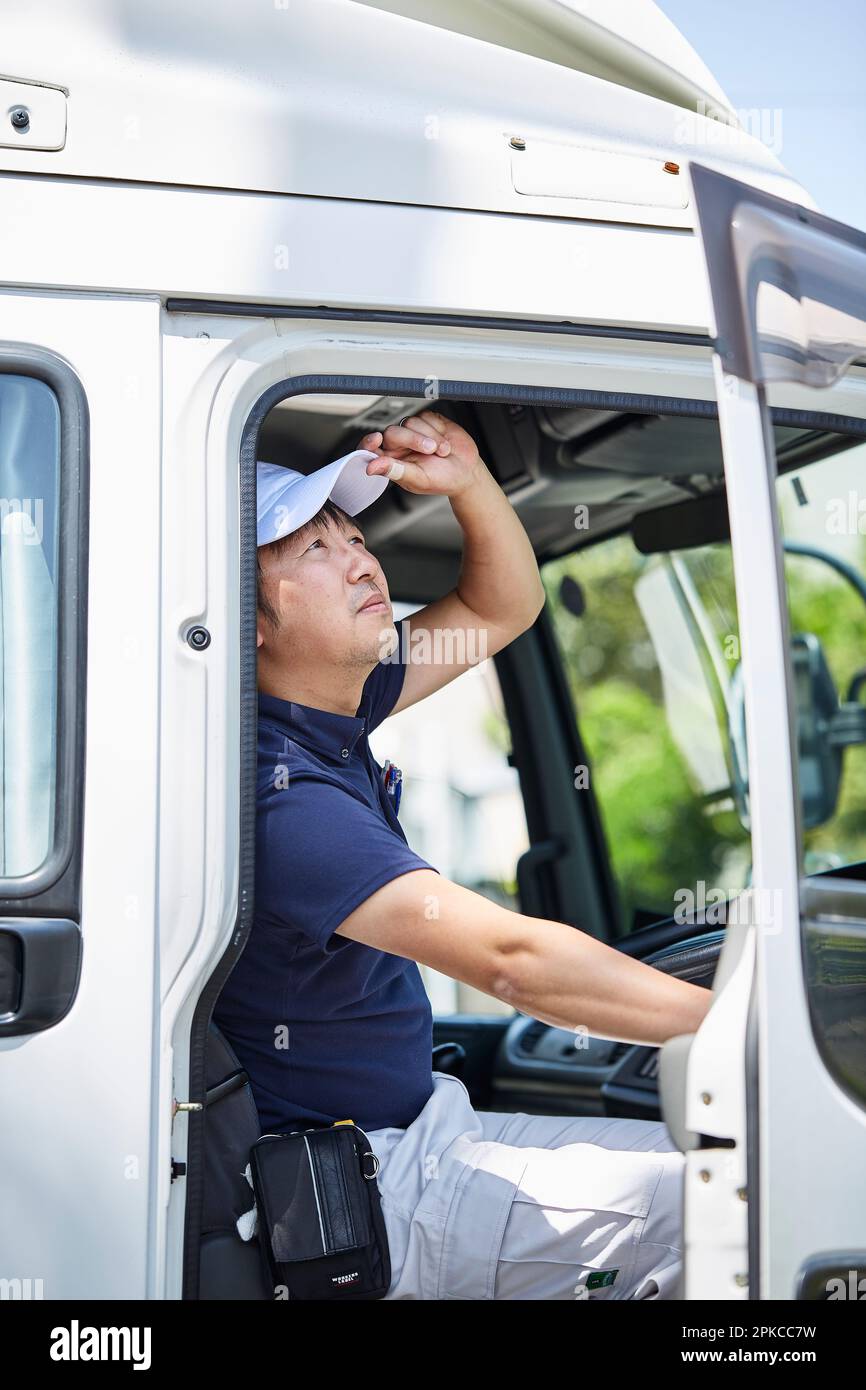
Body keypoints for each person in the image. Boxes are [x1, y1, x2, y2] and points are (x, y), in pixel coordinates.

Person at [212, 410, 711, 1300]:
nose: (363, 559)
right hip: (372, 1182)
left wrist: (473, 479)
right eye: (313, 549)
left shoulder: (336, 713)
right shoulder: (277, 796)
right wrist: (739, 1024)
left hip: (419, 1134)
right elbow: (510, 962)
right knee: (734, 1204)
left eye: (356, 535)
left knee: (723, 1174)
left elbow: (499, 606)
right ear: (246, 618)